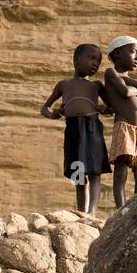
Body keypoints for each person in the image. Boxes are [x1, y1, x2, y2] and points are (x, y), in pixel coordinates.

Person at [40, 43, 111, 215]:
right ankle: (82, 212)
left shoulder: (96, 85)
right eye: (91, 58)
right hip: (72, 129)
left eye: (98, 62)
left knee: (94, 170)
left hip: (92, 128)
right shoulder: (63, 85)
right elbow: (44, 108)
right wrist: (55, 114)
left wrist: (104, 109)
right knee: (79, 173)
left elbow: (112, 108)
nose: (95, 63)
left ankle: (91, 211)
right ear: (76, 60)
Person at [101, 35, 137, 209]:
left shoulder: (134, 82)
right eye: (134, 52)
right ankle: (121, 209)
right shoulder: (111, 73)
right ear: (118, 53)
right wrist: (135, 86)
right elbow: (125, 92)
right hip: (124, 127)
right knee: (121, 169)